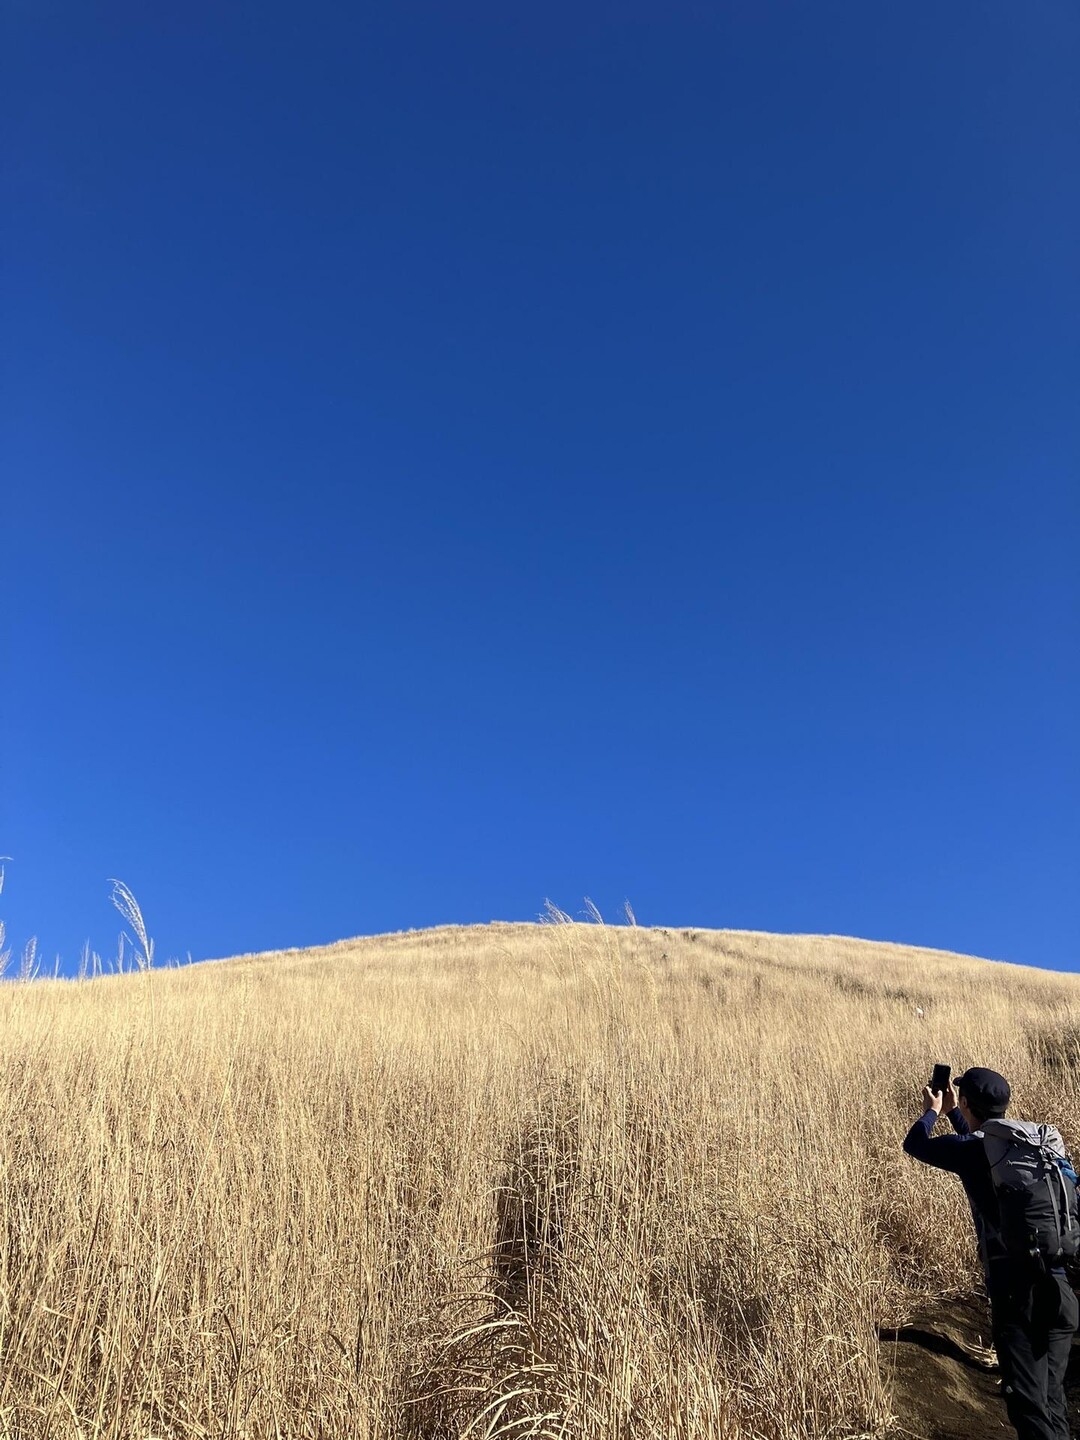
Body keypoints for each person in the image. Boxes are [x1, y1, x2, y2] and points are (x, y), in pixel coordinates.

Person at [903, 1066, 1079, 1440]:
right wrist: (956, 1114)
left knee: (1026, 1404)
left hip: (1017, 1292)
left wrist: (933, 1110)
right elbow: (978, 1146)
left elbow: (914, 1144)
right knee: (1051, 1400)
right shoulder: (1030, 1145)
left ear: (966, 1101)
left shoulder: (969, 1151)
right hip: (1060, 1287)